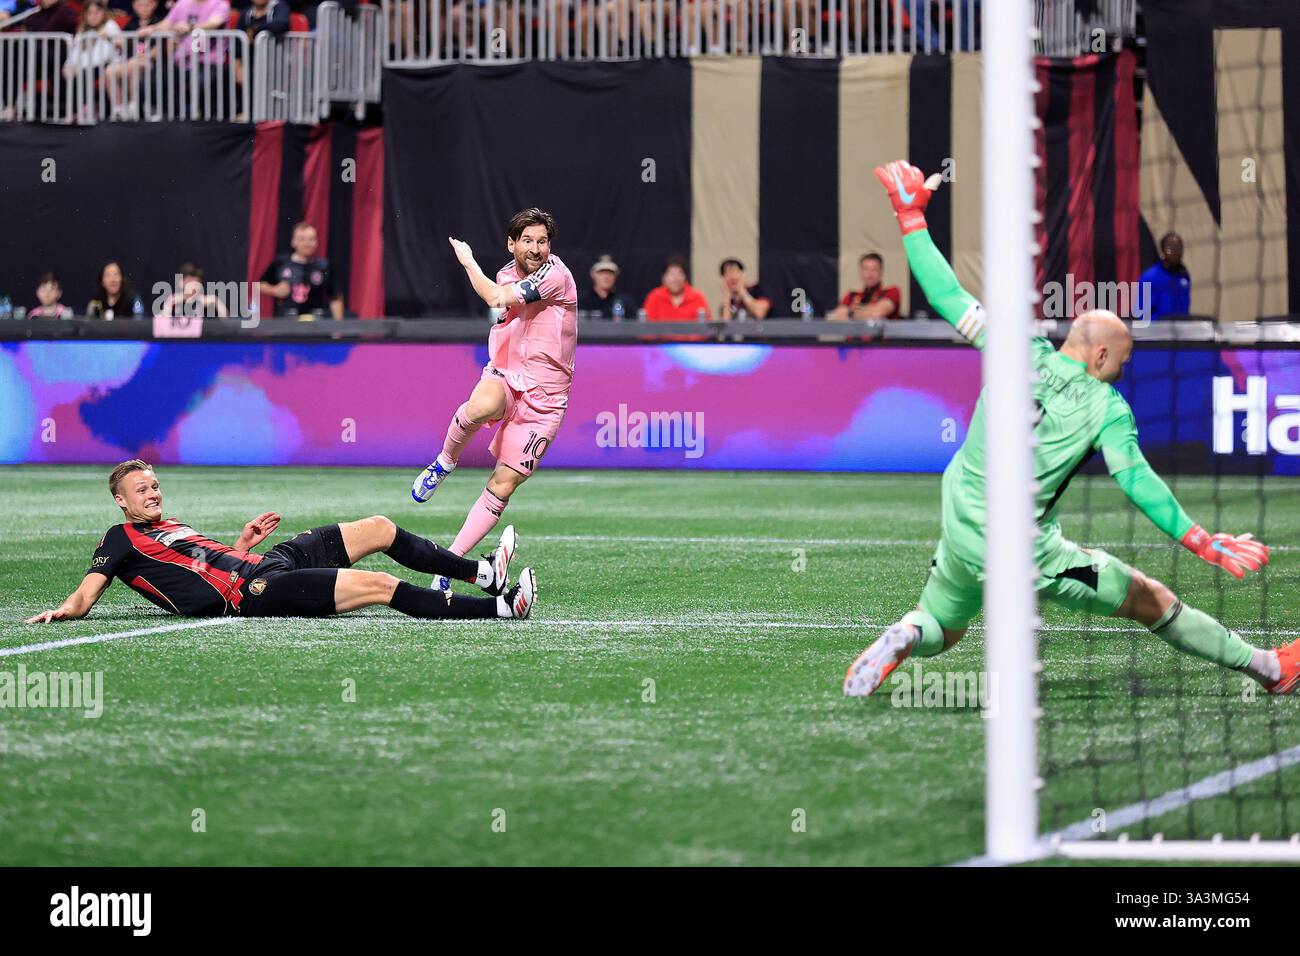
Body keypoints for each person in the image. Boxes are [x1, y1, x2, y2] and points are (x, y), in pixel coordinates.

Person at [843, 160, 1298, 699]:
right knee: (1149, 599)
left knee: (943, 624)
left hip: (961, 517)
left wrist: (910, 217)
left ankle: (907, 634)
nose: (1122, 372)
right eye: (1122, 362)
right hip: (1022, 548)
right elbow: (1136, 481)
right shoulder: (1107, 407)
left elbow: (946, 295)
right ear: (1102, 353)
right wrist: (1201, 541)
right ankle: (1270, 667)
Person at [24, 459, 537, 625]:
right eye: (142, 489)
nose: (153, 492)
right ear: (121, 501)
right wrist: (64, 612)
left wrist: (242, 542)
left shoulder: (168, 528)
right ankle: (501, 610)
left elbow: (202, 565)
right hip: (249, 595)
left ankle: (484, 575)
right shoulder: (120, 539)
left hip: (263, 564)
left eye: (155, 484)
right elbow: (88, 591)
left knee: (379, 527)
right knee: (380, 585)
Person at [409, 208, 577, 595]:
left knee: (503, 485)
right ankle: (444, 462)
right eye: (528, 240)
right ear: (512, 243)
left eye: (542, 241)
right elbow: (499, 296)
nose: (536, 248)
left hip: (547, 399)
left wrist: (467, 261)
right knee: (480, 407)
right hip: (506, 374)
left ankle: (447, 565)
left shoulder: (555, 275)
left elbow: (493, 296)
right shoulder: (505, 271)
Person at [258, 222, 345, 320]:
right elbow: (258, 285)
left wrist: (338, 329)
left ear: (317, 242)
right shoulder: (281, 263)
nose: (307, 244)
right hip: (286, 324)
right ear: (293, 241)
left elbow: (336, 297)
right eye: (302, 239)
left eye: (311, 239)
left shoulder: (324, 266)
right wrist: (274, 290)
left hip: (316, 324)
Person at [1136, 232, 1191, 322]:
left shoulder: (1184, 276)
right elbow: (1142, 313)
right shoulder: (1150, 277)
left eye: (1179, 248)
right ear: (1163, 250)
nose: (1176, 252)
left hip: (1181, 331)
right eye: (1171, 248)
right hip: (1158, 331)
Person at [828, 253, 900, 321]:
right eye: (866, 269)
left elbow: (877, 313)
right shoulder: (852, 294)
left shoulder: (891, 291)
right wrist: (866, 311)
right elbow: (835, 316)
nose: (869, 274)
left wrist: (851, 312)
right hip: (855, 333)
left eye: (874, 269)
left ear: (881, 271)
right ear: (861, 272)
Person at [641, 256, 710, 322]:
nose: (675, 279)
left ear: (685, 277)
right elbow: (646, 330)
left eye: (679, 274)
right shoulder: (654, 297)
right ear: (663, 278)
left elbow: (705, 329)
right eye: (671, 274)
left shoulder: (697, 298)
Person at [576, 254, 632, 320]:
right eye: (601, 272)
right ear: (593, 275)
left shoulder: (625, 302)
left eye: (610, 273)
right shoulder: (581, 301)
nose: (606, 276)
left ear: (616, 276)